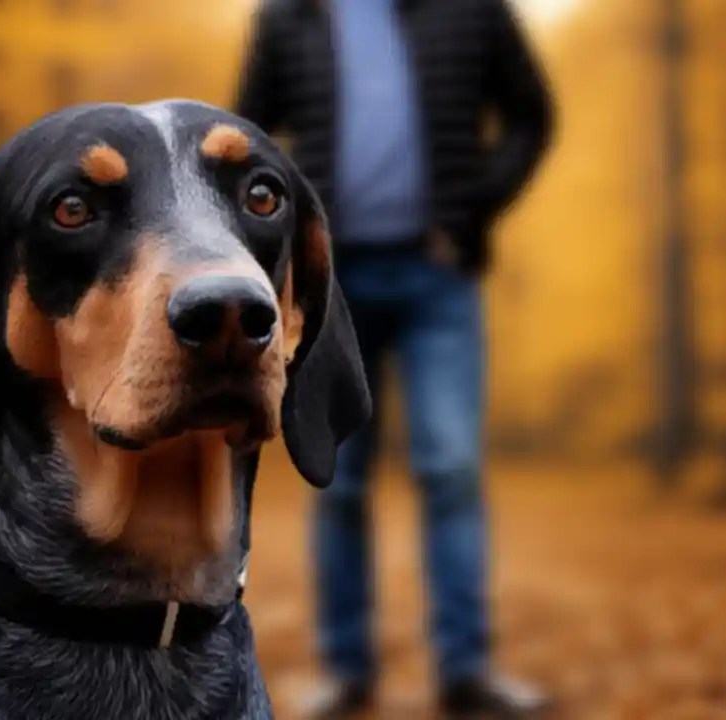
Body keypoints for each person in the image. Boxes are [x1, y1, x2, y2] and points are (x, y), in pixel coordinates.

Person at [236, 0, 553, 716]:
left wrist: (474, 208)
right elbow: (242, 139)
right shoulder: (289, 16)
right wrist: (284, 242)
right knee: (339, 479)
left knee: (451, 469)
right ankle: (346, 673)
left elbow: (532, 117)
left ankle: (467, 673)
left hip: (438, 278)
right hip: (329, 284)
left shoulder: (473, 12)